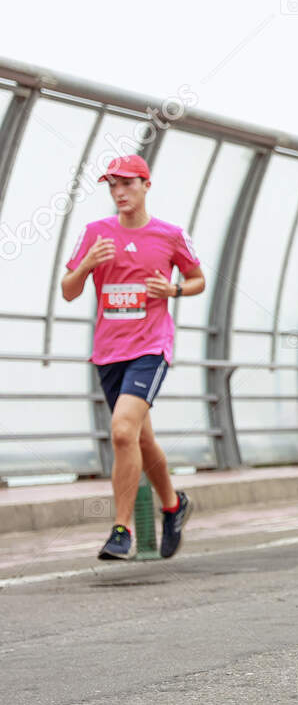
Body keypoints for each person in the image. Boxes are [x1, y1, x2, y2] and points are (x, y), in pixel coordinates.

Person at [62, 155, 204, 561]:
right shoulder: (95, 233)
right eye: (112, 186)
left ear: (146, 185)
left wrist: (172, 291)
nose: (119, 192)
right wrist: (88, 264)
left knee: (123, 431)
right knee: (141, 437)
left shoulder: (171, 235)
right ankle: (174, 506)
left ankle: (120, 530)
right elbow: (68, 290)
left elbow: (198, 280)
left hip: (151, 346)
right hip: (109, 350)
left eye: (126, 184)